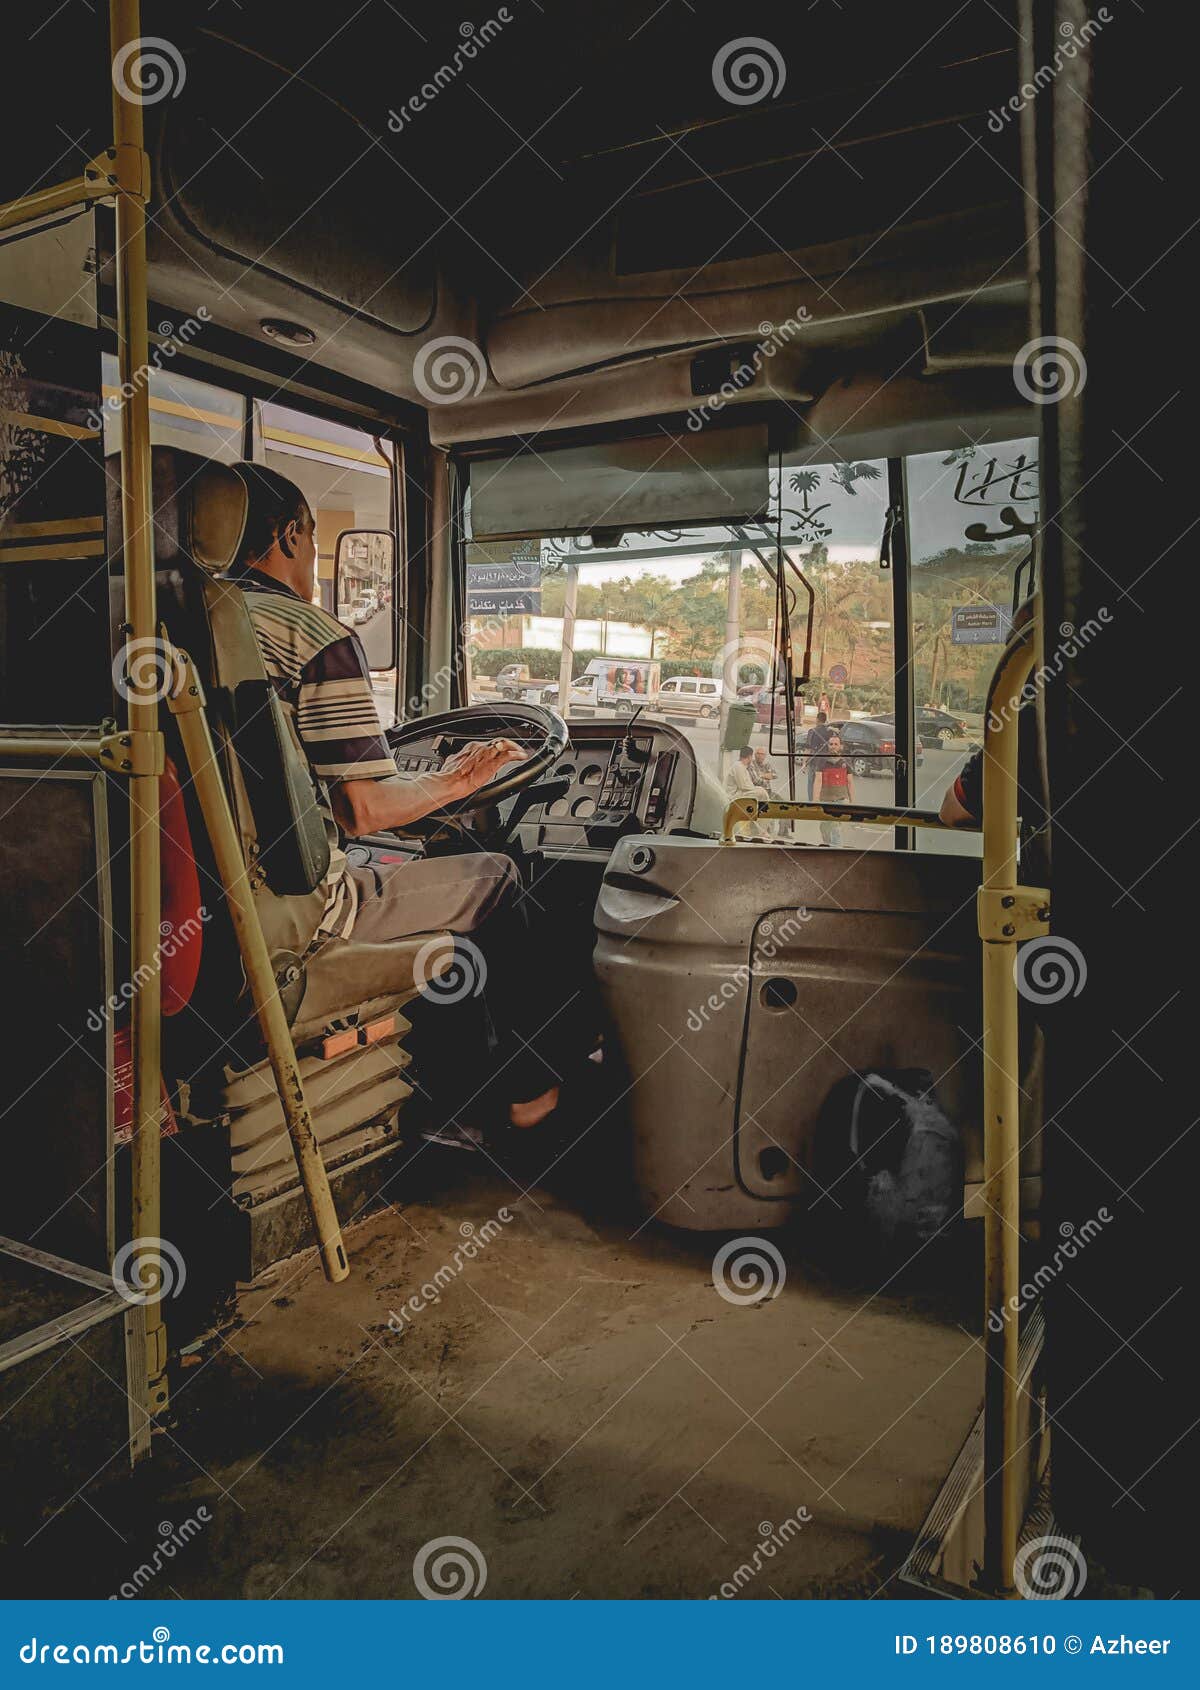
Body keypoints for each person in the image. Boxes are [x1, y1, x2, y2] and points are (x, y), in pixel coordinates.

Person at [230, 464, 575, 1136]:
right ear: (292, 535)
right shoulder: (310, 636)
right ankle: (528, 1092)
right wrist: (459, 780)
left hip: (200, 906)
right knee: (497, 875)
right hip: (302, 915)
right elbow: (364, 812)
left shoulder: (161, 625)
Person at [815, 731, 854, 846]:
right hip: (825, 799)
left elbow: (850, 782)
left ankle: (836, 850)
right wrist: (815, 801)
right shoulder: (822, 760)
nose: (833, 746)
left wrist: (852, 801)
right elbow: (818, 781)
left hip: (841, 799)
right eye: (831, 744)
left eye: (836, 744)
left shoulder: (846, 761)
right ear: (828, 745)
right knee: (824, 827)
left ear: (841, 746)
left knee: (836, 827)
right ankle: (828, 846)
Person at [805, 710, 834, 801]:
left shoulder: (812, 731)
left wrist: (804, 762)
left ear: (817, 719)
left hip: (814, 760)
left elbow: (808, 748)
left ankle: (812, 801)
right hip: (826, 761)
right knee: (823, 782)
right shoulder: (830, 732)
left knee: (811, 782)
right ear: (825, 720)